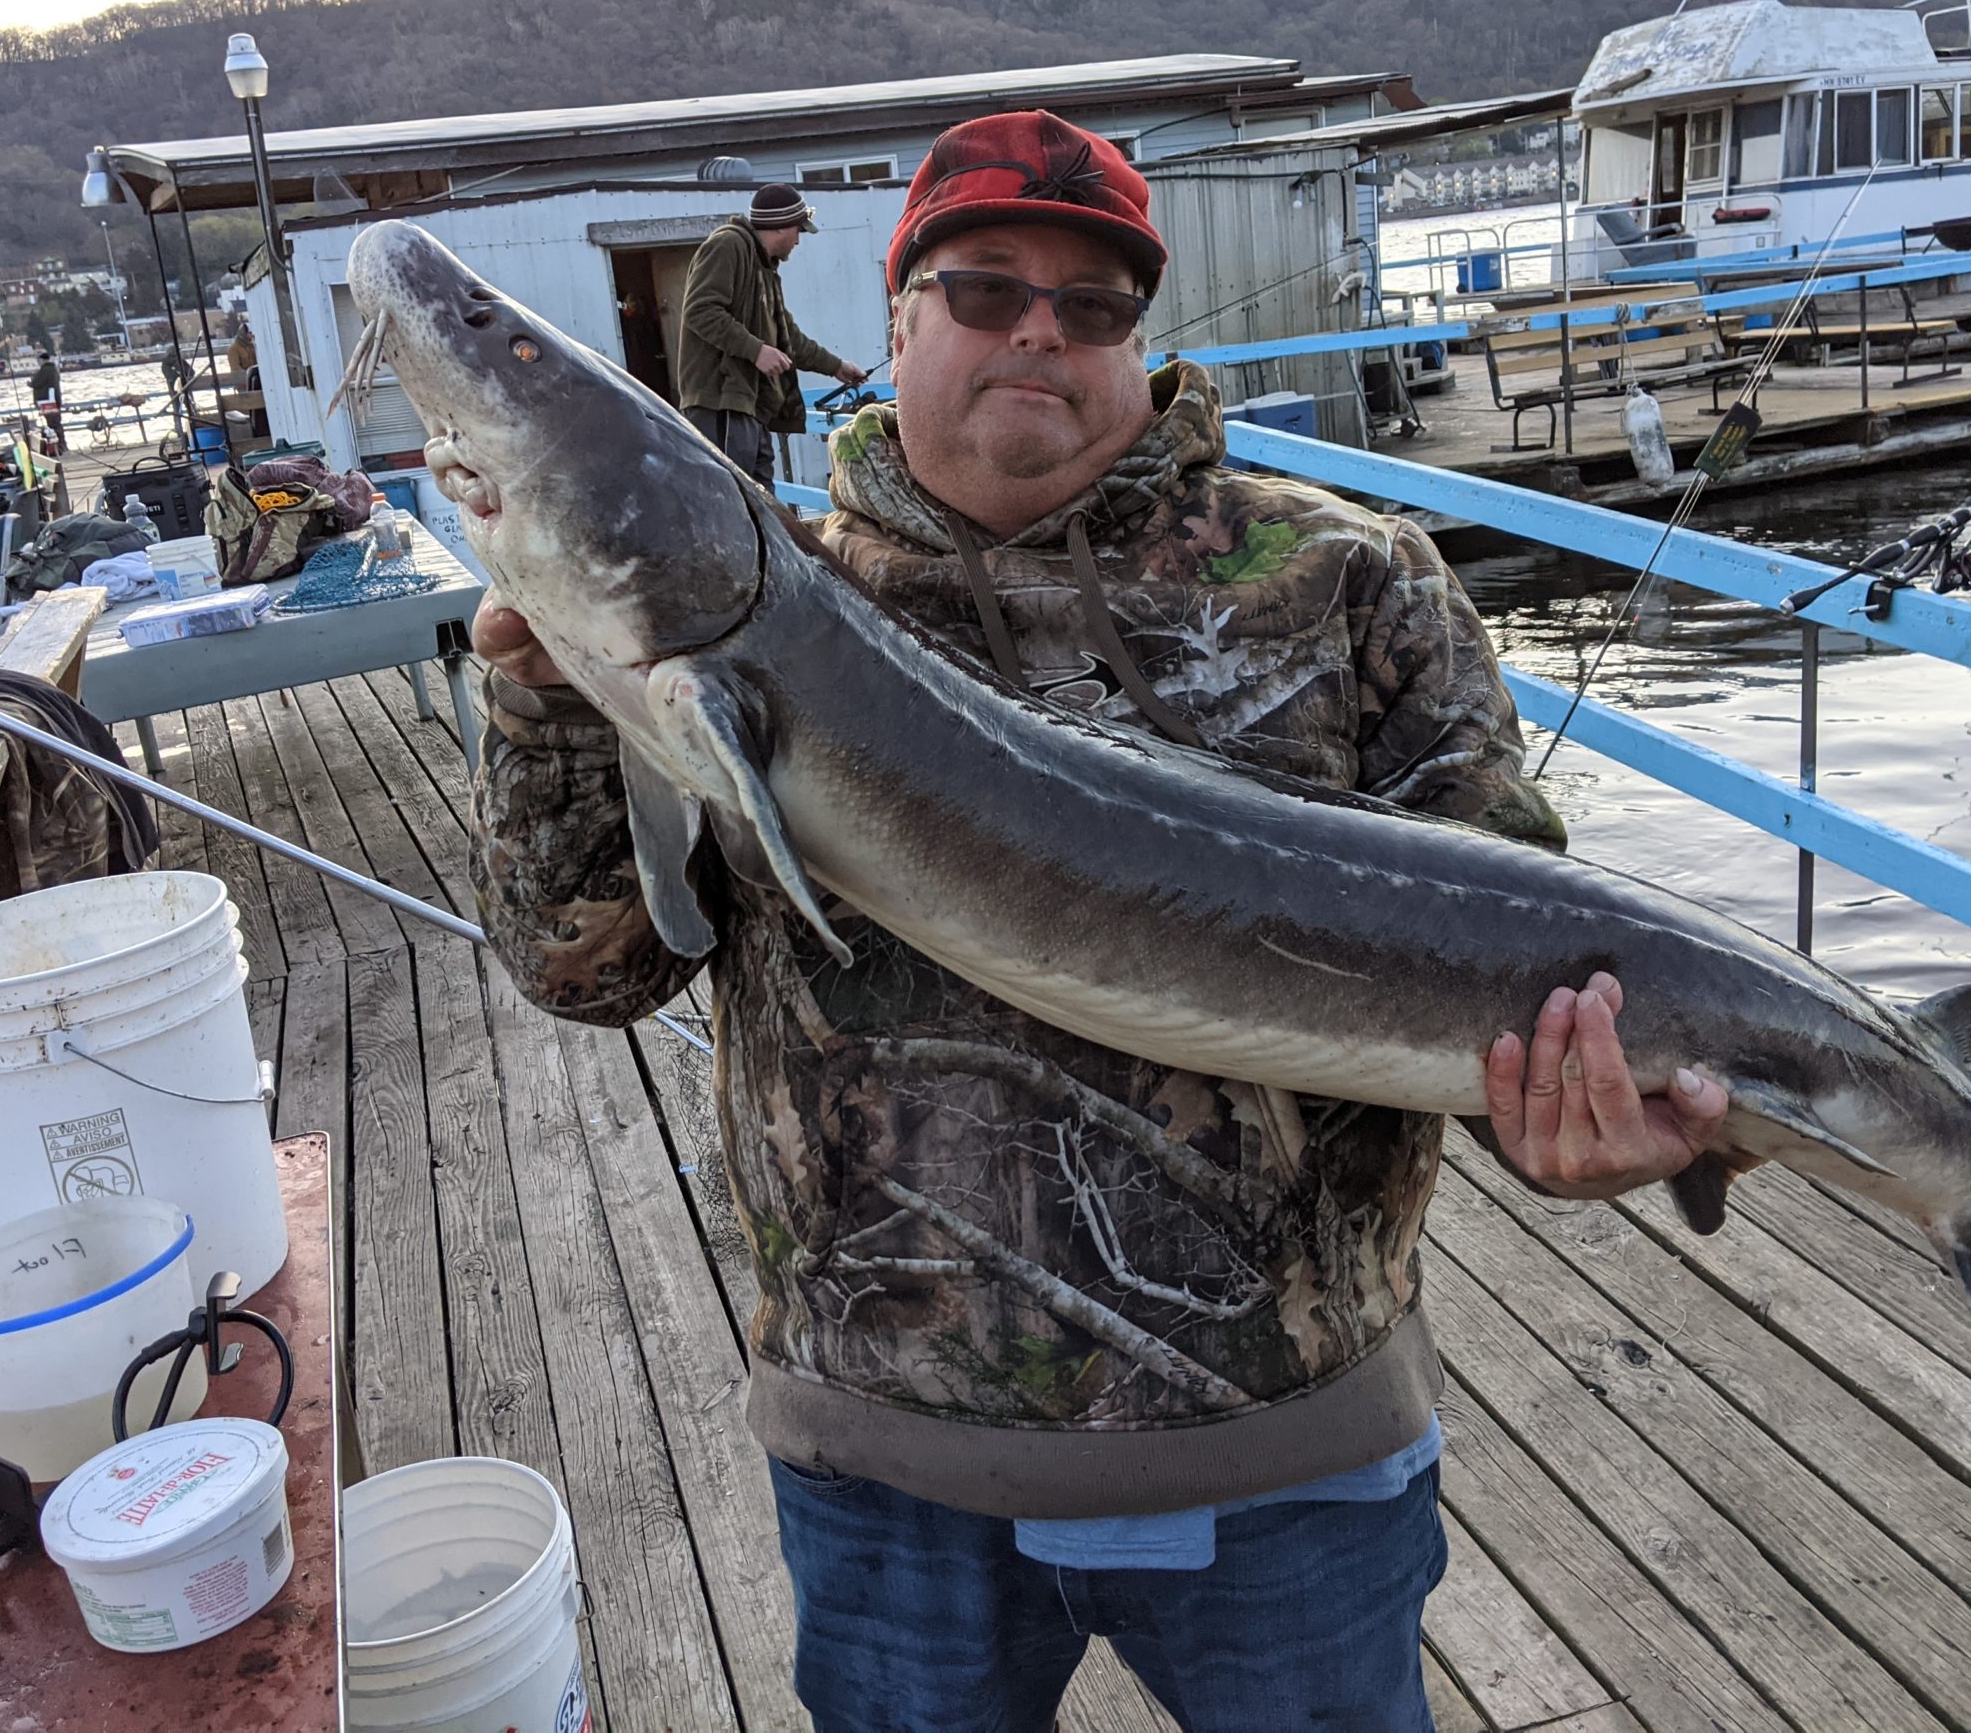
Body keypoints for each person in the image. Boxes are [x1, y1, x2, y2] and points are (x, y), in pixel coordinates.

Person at [471, 112, 1732, 1730]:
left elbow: (1507, 965)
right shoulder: (749, 597)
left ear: (1139, 336)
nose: (1039, 333)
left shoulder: (1355, 582)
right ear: (900, 317)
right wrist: (555, 709)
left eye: (1093, 303)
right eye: (986, 288)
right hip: (889, 1469)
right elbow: (586, 974)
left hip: (1292, 1464)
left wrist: (1569, 1123)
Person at [674, 182, 865, 488]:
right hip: (721, 403)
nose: (798, 240)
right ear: (780, 226)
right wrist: (757, 350)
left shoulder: (764, 269)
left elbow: (788, 337)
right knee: (732, 495)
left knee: (761, 497)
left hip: (750, 406)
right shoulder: (728, 245)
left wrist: (836, 367)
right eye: (798, 230)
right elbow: (700, 311)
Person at [29, 350, 64, 460]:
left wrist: (30, 382)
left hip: (47, 402)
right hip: (53, 401)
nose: (38, 362)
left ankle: (57, 447)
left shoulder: (45, 371)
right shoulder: (53, 369)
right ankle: (60, 446)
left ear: (41, 360)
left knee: (52, 424)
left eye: (38, 360)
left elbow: (36, 383)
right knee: (55, 424)